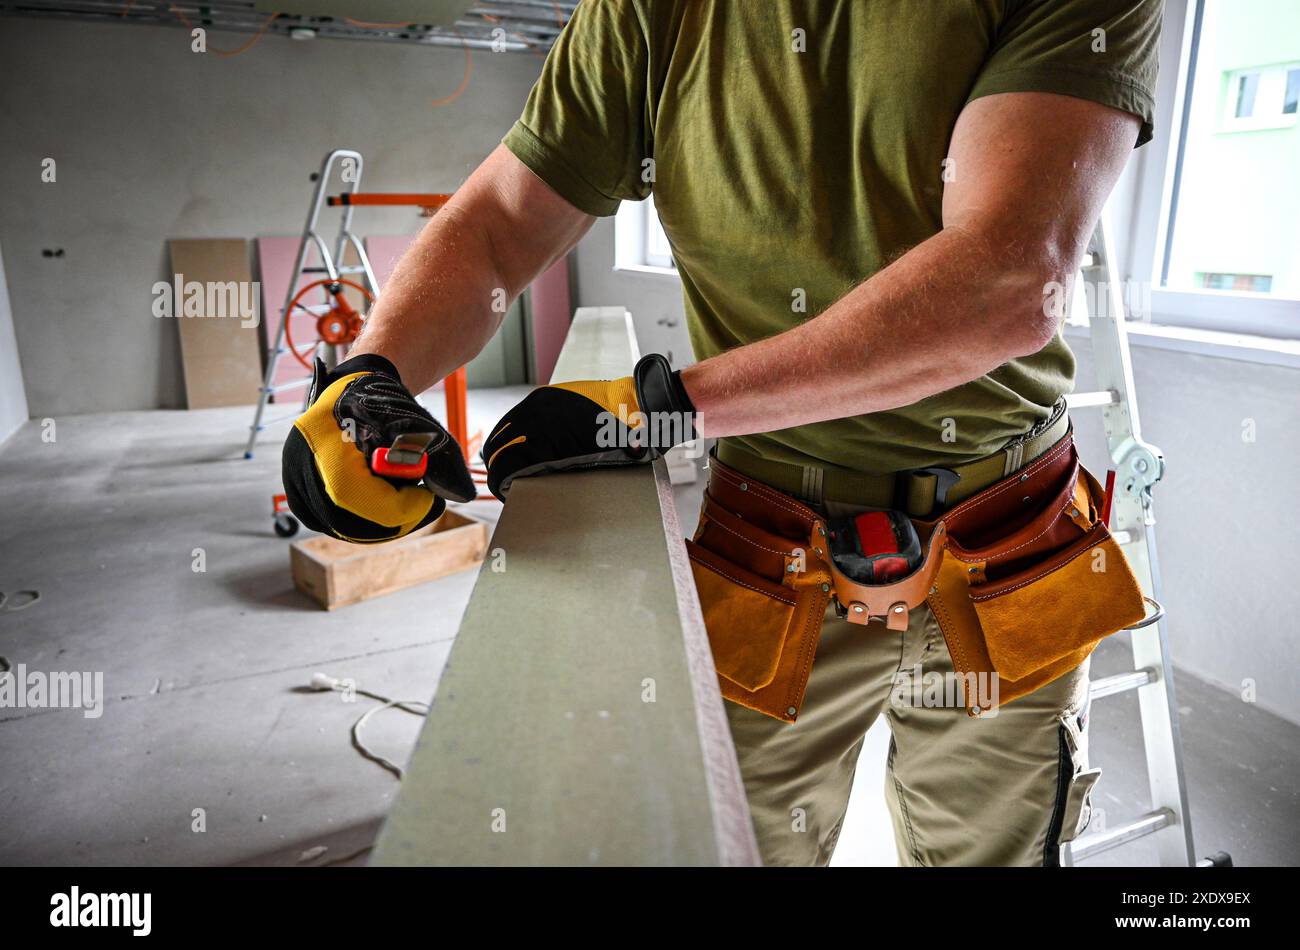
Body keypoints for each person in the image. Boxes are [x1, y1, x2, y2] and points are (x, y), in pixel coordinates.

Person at [283, 0, 1164, 866]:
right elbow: (502, 222)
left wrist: (660, 407)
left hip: (1005, 544)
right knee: (729, 840)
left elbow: (1009, 279)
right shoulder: (649, 14)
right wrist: (369, 377)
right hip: (775, 545)